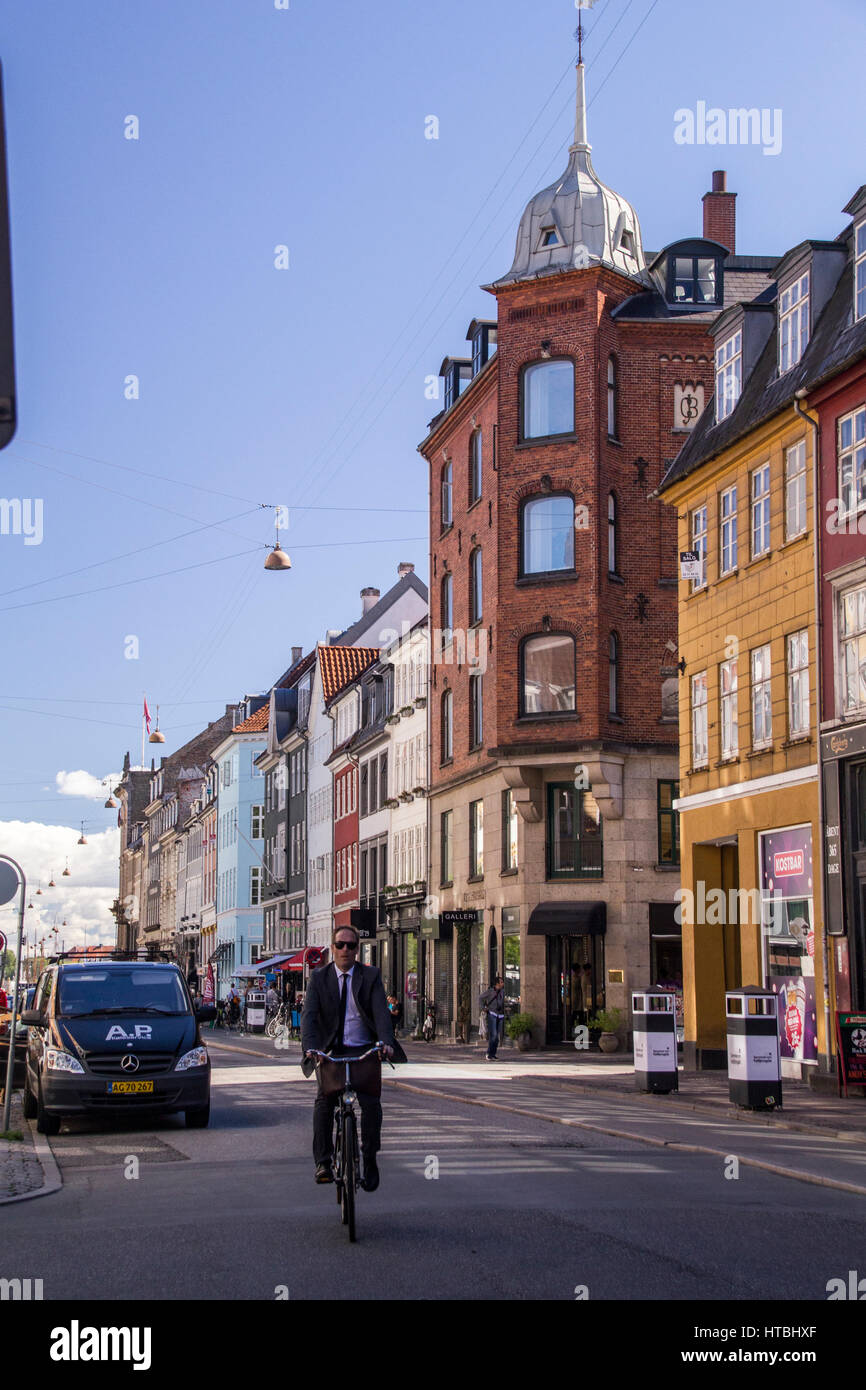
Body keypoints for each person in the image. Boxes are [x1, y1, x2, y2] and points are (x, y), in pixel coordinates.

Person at [301, 926, 406, 1192]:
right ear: (332, 948)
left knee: (372, 1107)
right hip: (332, 1053)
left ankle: (369, 1159)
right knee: (323, 1105)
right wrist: (311, 1048)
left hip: (363, 1052)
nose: (345, 950)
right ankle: (323, 1163)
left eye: (350, 946)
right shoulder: (319, 977)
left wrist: (385, 1042)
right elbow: (310, 1017)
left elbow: (381, 1012)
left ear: (357, 949)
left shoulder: (369, 975)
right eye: (340, 945)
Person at [480, 976, 506, 1060]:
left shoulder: (502, 991)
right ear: (497, 983)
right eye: (501, 982)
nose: (503, 983)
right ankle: (489, 1053)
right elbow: (480, 998)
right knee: (493, 1035)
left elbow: (501, 1002)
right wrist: (483, 1007)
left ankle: (493, 1053)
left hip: (500, 1015)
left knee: (497, 1037)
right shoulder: (490, 991)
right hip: (492, 1014)